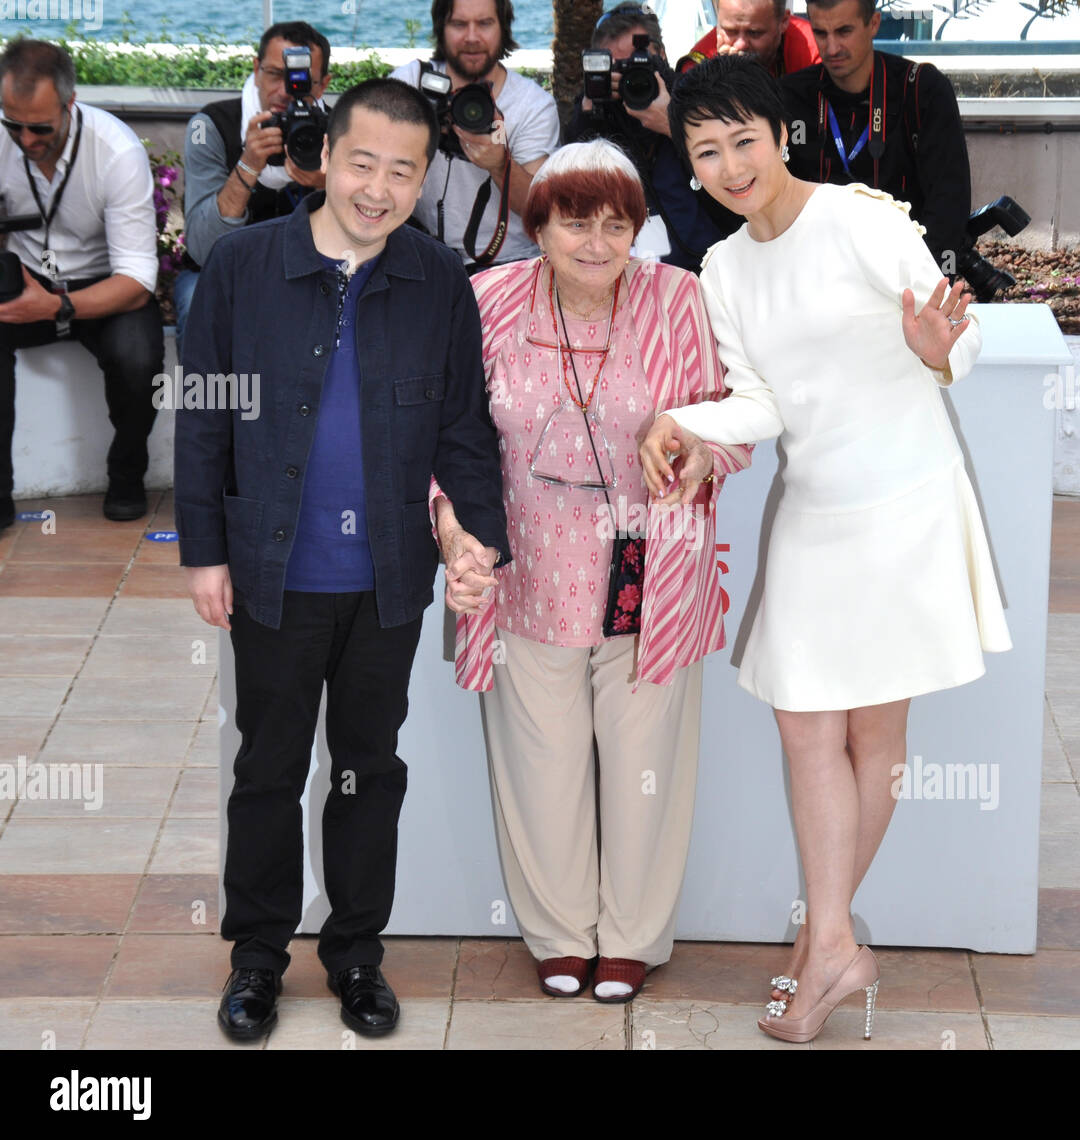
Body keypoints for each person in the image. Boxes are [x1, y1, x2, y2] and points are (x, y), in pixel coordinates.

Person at [642, 55, 1012, 1043]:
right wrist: (679, 419)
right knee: (805, 727)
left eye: (743, 143)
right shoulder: (722, 267)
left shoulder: (860, 219)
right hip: (815, 509)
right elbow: (759, 402)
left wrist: (940, 350)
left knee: (871, 736)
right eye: (705, 151)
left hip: (904, 503)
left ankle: (825, 948)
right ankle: (836, 943)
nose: (728, 167)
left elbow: (954, 338)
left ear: (781, 136)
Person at [175, 78, 509, 1042]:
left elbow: (463, 426)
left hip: (388, 580)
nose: (378, 188)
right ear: (325, 158)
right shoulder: (244, 267)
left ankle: (357, 956)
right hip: (271, 570)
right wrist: (205, 552)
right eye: (362, 163)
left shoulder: (437, 277)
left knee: (369, 768)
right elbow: (201, 421)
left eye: (403, 171)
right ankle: (257, 961)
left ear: (423, 178)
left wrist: (474, 537)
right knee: (268, 769)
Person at [434, 139, 752, 1003]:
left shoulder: (678, 298)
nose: (598, 243)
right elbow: (449, 440)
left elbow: (737, 415)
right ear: (538, 223)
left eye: (618, 224)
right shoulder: (487, 301)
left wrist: (693, 451)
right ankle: (561, 934)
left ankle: (634, 938)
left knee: (648, 762)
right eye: (575, 221)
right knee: (541, 767)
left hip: (650, 575)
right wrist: (456, 538)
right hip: (524, 573)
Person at [0, 39, 162, 527]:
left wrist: (53, 307)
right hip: (21, 275)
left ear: (69, 106)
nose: (25, 139)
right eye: (12, 125)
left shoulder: (117, 151)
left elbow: (137, 279)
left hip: (103, 284)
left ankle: (127, 474)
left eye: (40, 128)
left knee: (139, 357)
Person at [175, 21, 333, 349]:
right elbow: (203, 249)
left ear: (323, 85)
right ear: (256, 69)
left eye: (300, 80)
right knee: (195, 298)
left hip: (313, 267)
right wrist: (248, 165)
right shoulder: (209, 125)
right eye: (275, 74)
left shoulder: (340, 128)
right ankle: (208, 400)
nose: (286, 91)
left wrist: (327, 187)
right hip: (229, 268)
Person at [783, 0, 972, 268]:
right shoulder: (791, 95)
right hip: (814, 270)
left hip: (900, 272)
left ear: (873, 24)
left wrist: (927, 285)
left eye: (844, 31)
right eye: (821, 33)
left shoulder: (921, 90)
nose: (832, 47)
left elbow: (948, 200)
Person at [563, 2, 740, 274]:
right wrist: (589, 111)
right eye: (616, 66)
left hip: (704, 267)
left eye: (636, 62)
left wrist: (673, 124)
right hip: (624, 274)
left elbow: (732, 180)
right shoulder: (594, 113)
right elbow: (570, 199)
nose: (628, 76)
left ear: (662, 54)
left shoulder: (697, 101)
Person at [391, 0, 560, 270]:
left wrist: (499, 165)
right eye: (459, 24)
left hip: (506, 261)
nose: (472, 37)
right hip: (421, 252)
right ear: (441, 28)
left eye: (484, 23)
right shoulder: (412, 83)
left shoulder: (532, 105)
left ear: (503, 29)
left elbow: (539, 210)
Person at [677, 0, 820, 79]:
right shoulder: (698, 67)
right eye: (730, 31)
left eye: (754, 33)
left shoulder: (817, 47)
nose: (740, 45)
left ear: (783, 22)